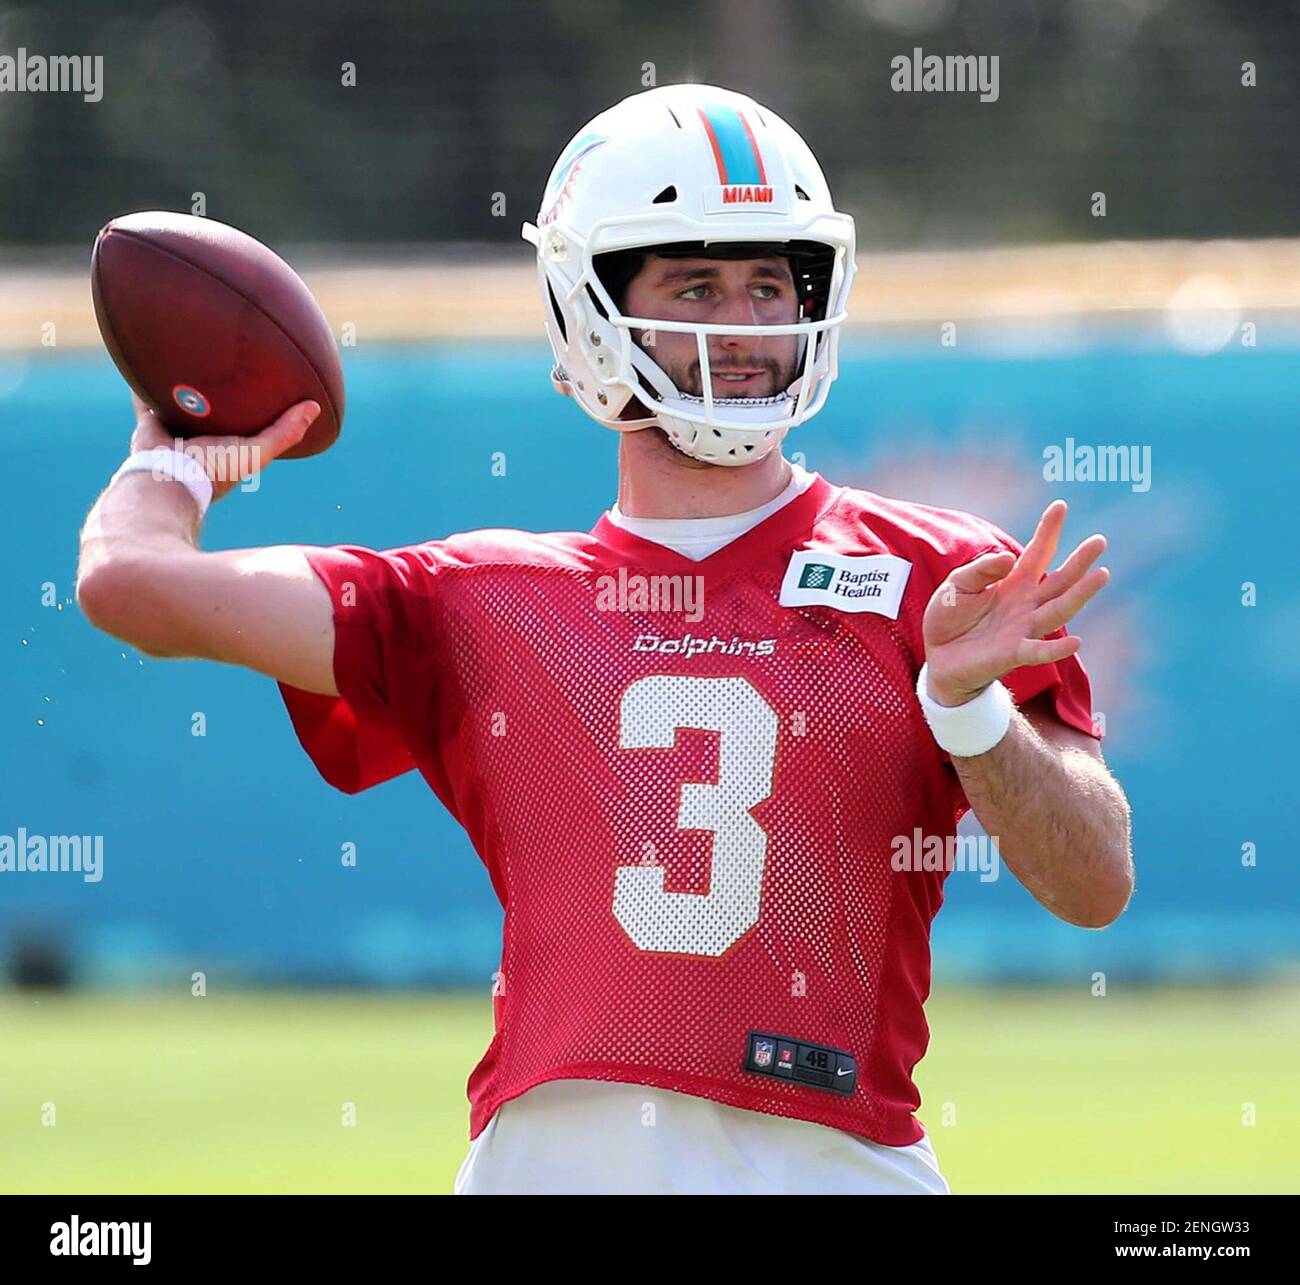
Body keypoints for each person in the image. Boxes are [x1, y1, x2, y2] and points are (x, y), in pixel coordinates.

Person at [76, 83, 1133, 1195]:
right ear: (590, 307)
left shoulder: (933, 575)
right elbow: (132, 585)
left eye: (770, 284)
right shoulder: (480, 599)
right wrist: (178, 460)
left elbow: (1095, 882)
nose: (746, 323)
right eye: (695, 286)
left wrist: (966, 713)